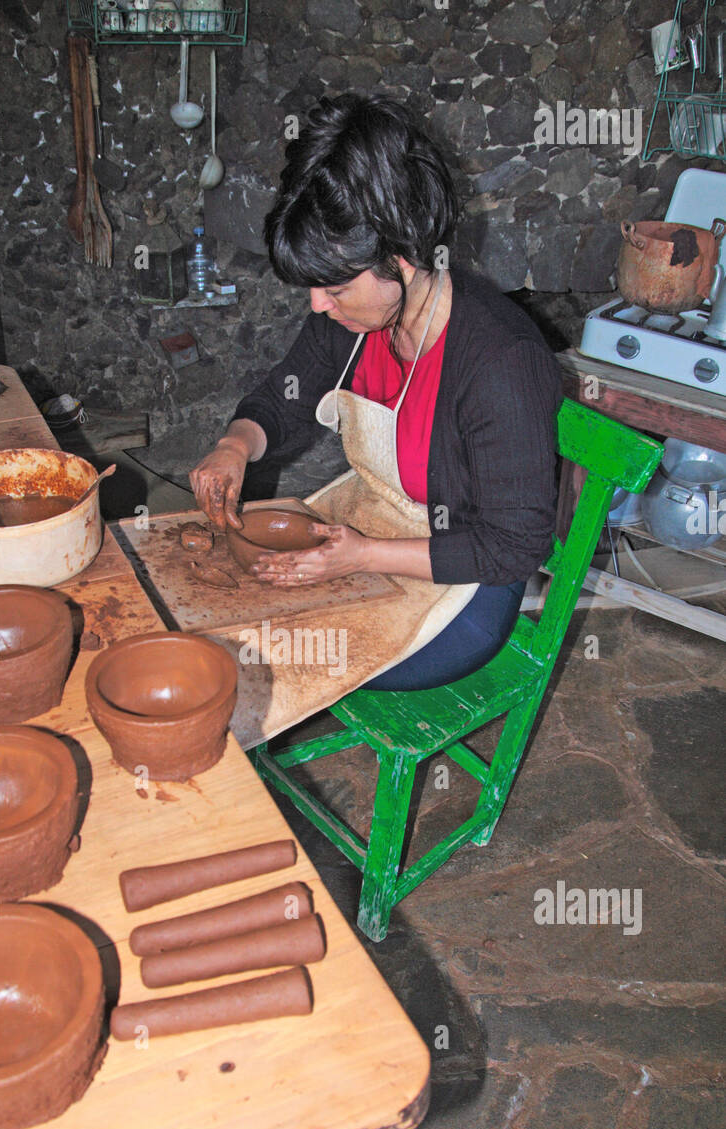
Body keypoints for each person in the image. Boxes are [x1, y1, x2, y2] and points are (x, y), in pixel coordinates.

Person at [189, 93, 564, 691]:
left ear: (403, 257)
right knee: (210, 604)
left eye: (333, 286)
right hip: (374, 524)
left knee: (255, 658)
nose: (317, 304)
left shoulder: (499, 362)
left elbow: (512, 549)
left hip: (462, 585)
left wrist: (363, 556)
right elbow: (290, 390)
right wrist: (236, 443)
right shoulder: (352, 318)